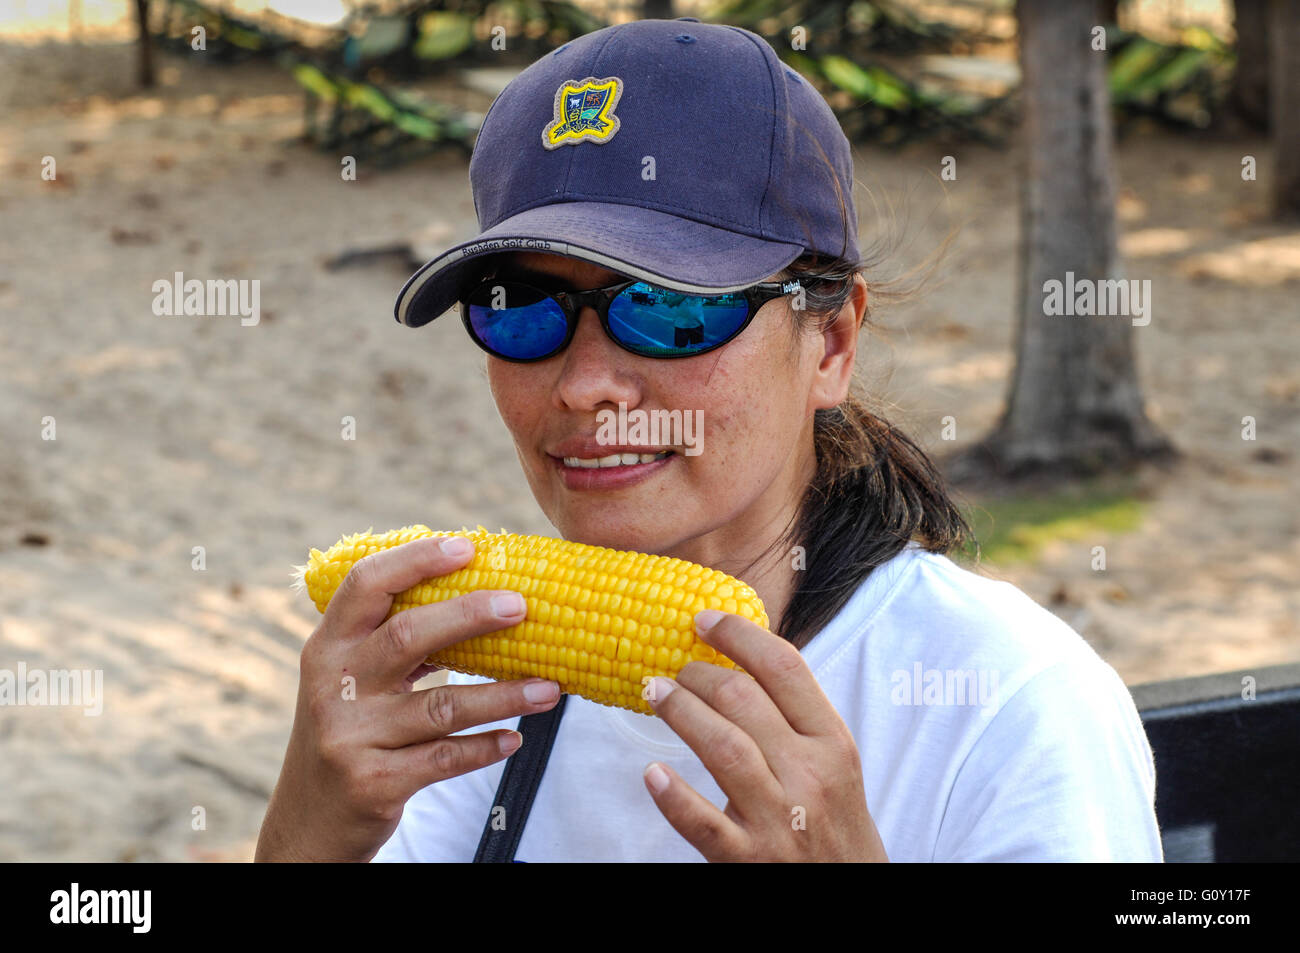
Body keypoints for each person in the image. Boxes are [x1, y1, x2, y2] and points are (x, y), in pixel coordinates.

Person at [256, 18, 1163, 862]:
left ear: (832, 343)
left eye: (670, 311)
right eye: (522, 310)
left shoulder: (1006, 708)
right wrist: (308, 830)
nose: (582, 385)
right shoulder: (466, 715)